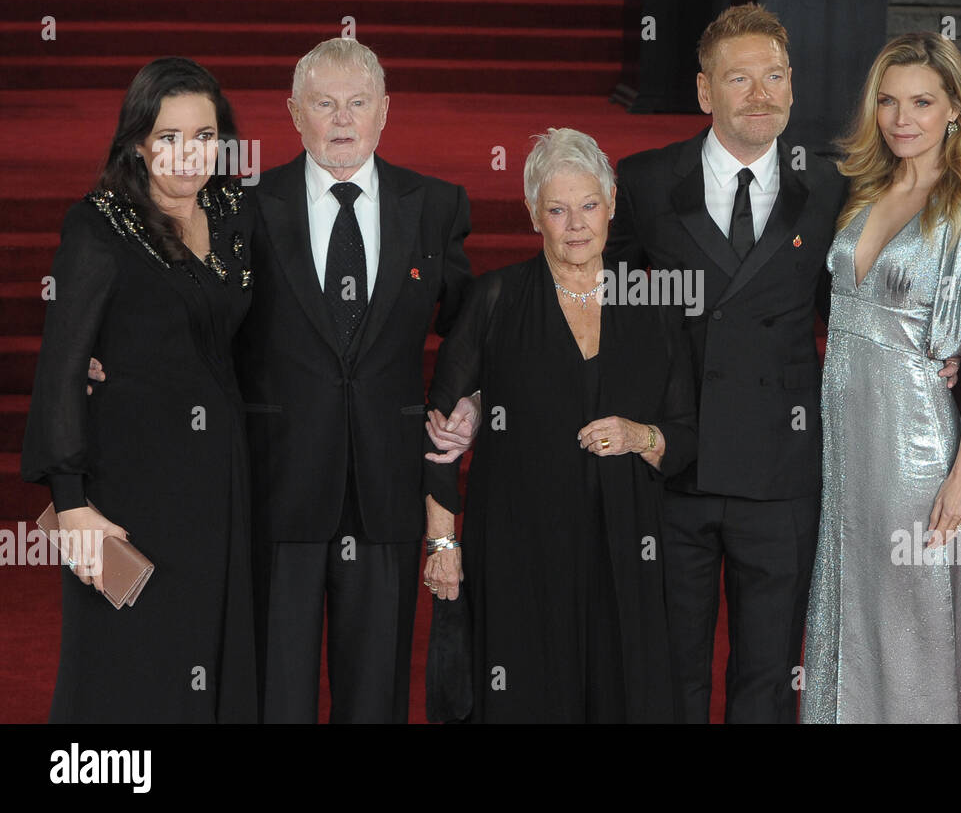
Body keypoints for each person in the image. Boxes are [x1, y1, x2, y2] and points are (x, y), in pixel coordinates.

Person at [606, 3, 961, 723]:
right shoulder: (644, 183)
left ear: (793, 86)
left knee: (768, 679)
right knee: (666, 672)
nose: (761, 94)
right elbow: (605, 310)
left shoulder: (833, 190)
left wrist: (922, 360)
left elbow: (854, 312)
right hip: (674, 470)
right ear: (705, 91)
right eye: (740, 79)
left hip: (783, 473)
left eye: (774, 76)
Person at [234, 38, 474, 722]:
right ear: (293, 113)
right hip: (279, 491)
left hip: (387, 491)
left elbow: (466, 330)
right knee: (276, 695)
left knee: (375, 699)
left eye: (358, 103)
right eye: (324, 103)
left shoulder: (434, 205)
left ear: (385, 111)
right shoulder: (248, 207)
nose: (342, 119)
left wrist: (473, 402)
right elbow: (210, 325)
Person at [423, 128, 698, 722]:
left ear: (612, 206)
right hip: (518, 546)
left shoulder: (652, 306)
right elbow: (440, 434)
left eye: (589, 205)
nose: (576, 224)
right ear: (533, 215)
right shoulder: (495, 299)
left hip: (625, 547)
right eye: (557, 209)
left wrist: (639, 436)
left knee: (618, 692)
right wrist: (443, 544)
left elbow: (684, 436)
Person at [22, 58, 258, 722]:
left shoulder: (236, 211)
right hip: (133, 481)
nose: (190, 155)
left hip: (222, 480)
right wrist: (71, 506)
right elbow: (65, 363)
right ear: (137, 142)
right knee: (128, 656)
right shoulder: (98, 226)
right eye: (171, 137)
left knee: (210, 644)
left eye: (205, 136)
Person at [801, 33, 961, 724]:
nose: (903, 118)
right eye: (888, 102)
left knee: (911, 616)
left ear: (954, 108)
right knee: (845, 600)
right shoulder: (858, 189)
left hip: (916, 445)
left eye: (922, 101)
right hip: (842, 438)